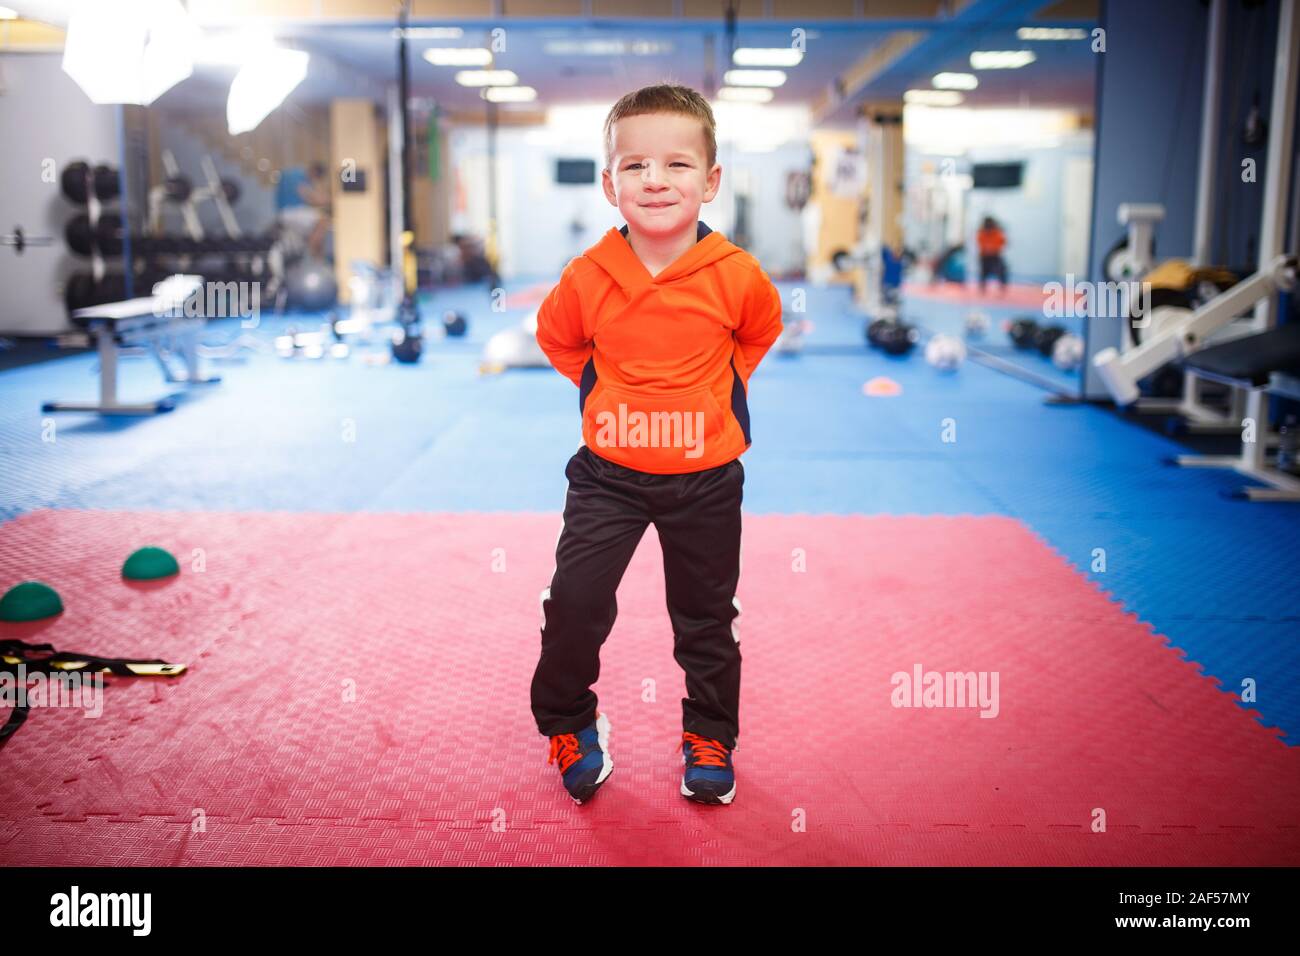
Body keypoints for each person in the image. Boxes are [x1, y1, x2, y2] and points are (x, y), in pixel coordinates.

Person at [531, 84, 783, 806]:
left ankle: (709, 736)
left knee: (706, 616)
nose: (655, 180)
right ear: (610, 185)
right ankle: (571, 723)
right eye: (635, 166)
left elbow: (758, 333)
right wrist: (603, 391)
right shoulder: (587, 276)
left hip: (706, 479)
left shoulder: (736, 275)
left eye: (676, 164)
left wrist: (716, 391)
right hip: (607, 475)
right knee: (575, 601)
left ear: (709, 182)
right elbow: (558, 338)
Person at [276, 160, 331, 260]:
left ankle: (316, 257)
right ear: (314, 171)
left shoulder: (303, 177)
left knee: (317, 228)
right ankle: (310, 256)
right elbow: (313, 197)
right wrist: (332, 199)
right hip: (289, 212)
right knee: (322, 221)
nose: (315, 180)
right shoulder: (296, 175)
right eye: (316, 177)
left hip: (293, 212)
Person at [976, 215, 1008, 294]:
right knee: (983, 272)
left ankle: (1002, 287)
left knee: (1001, 270)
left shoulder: (997, 232)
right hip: (984, 256)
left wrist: (993, 248)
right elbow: (980, 243)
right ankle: (982, 288)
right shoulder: (981, 233)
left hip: (995, 256)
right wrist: (987, 248)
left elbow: (1002, 242)